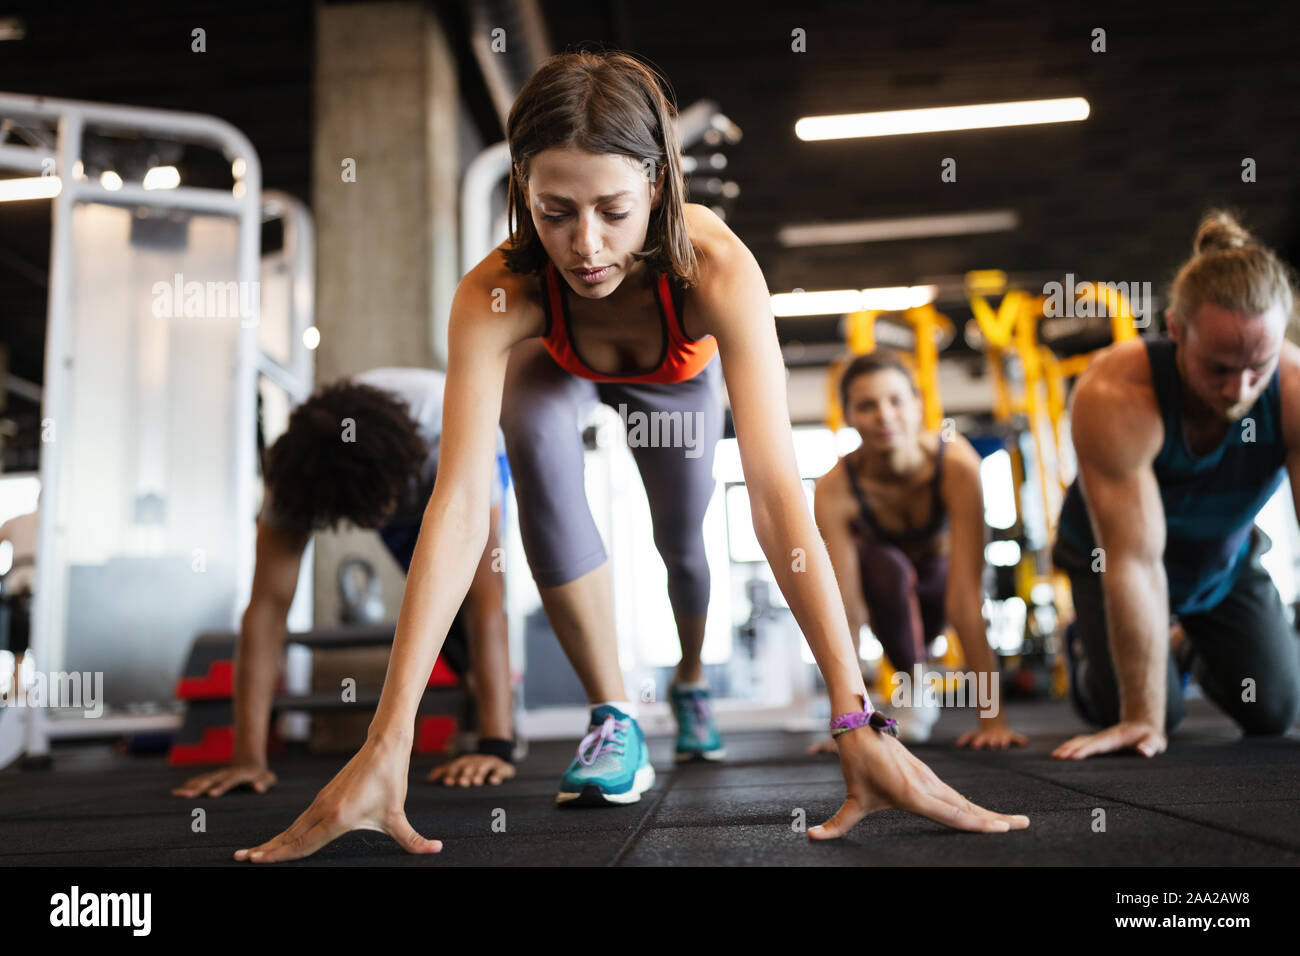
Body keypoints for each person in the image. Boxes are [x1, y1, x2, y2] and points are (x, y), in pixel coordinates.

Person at [234, 51, 1028, 862]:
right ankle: (613, 715)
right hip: (559, 364)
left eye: (613, 210)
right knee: (532, 435)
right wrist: (387, 737)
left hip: (677, 380)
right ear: (522, 191)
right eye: (554, 211)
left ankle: (686, 681)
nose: (586, 247)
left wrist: (856, 715)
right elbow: (462, 503)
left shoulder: (714, 271)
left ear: (656, 182)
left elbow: (778, 500)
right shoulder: (498, 291)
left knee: (682, 544)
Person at [174, 369, 518, 799]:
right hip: (391, 481)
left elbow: (485, 601)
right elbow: (266, 609)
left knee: (457, 600)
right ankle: (475, 699)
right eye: (362, 518)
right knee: (436, 616)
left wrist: (496, 748)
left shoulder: (447, 428)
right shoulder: (297, 479)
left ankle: (496, 726)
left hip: (464, 457)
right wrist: (248, 757)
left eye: (378, 511)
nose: (372, 525)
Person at [1052, 210, 1300, 760]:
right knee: (1153, 717)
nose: (1239, 389)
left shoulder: (1297, 391)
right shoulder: (1116, 392)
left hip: (1223, 555)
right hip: (1111, 555)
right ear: (1175, 329)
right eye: (1218, 369)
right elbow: (1135, 561)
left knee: (1275, 712)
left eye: (1257, 368)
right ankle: (1089, 651)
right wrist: (1143, 717)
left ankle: (1186, 643)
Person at [810, 352, 1025, 749]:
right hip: (887, 600)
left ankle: (916, 687)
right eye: (867, 405)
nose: (884, 416)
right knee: (886, 565)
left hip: (944, 588)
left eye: (896, 400)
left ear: (918, 403)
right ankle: (912, 685)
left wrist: (993, 721)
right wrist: (847, 724)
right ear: (848, 415)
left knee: (946, 578)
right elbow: (849, 609)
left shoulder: (956, 462)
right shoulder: (834, 488)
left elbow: (965, 597)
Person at [0, 500, 38, 711]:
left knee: (18, 650)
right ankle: (27, 693)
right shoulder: (52, 521)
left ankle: (16, 691)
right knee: (38, 645)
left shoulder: (17, 521)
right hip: (40, 585)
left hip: (17, 585)